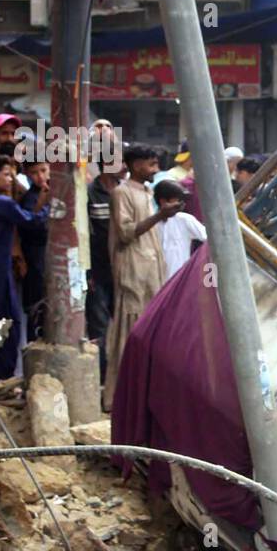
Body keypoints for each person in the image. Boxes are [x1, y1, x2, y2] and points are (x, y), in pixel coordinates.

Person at [105, 144, 172, 410]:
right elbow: (125, 233)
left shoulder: (147, 191)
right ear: (135, 165)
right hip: (132, 270)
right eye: (150, 164)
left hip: (151, 271)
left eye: (156, 164)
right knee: (128, 333)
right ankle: (118, 398)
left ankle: (145, 397)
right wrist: (160, 215)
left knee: (150, 335)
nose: (154, 169)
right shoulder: (121, 193)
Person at [0, 154, 49, 383]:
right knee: (9, 323)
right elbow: (31, 221)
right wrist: (48, 205)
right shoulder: (2, 202)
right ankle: (1, 375)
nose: (11, 179)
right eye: (6, 175)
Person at [87, 158, 124, 382]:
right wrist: (88, 272)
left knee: (125, 324)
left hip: (124, 271)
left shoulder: (126, 192)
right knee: (99, 327)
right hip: (99, 272)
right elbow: (84, 235)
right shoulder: (90, 194)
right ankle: (101, 378)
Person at [18, 160, 51, 341]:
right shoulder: (29, 198)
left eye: (43, 170)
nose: (40, 177)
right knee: (36, 307)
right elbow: (33, 224)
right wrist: (42, 202)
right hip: (35, 258)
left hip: (51, 258)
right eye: (34, 173)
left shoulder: (58, 192)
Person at [155, 180, 208, 278]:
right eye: (177, 200)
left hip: (179, 279)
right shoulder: (151, 224)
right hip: (157, 279)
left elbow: (208, 238)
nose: (181, 203)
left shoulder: (185, 219)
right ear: (163, 202)